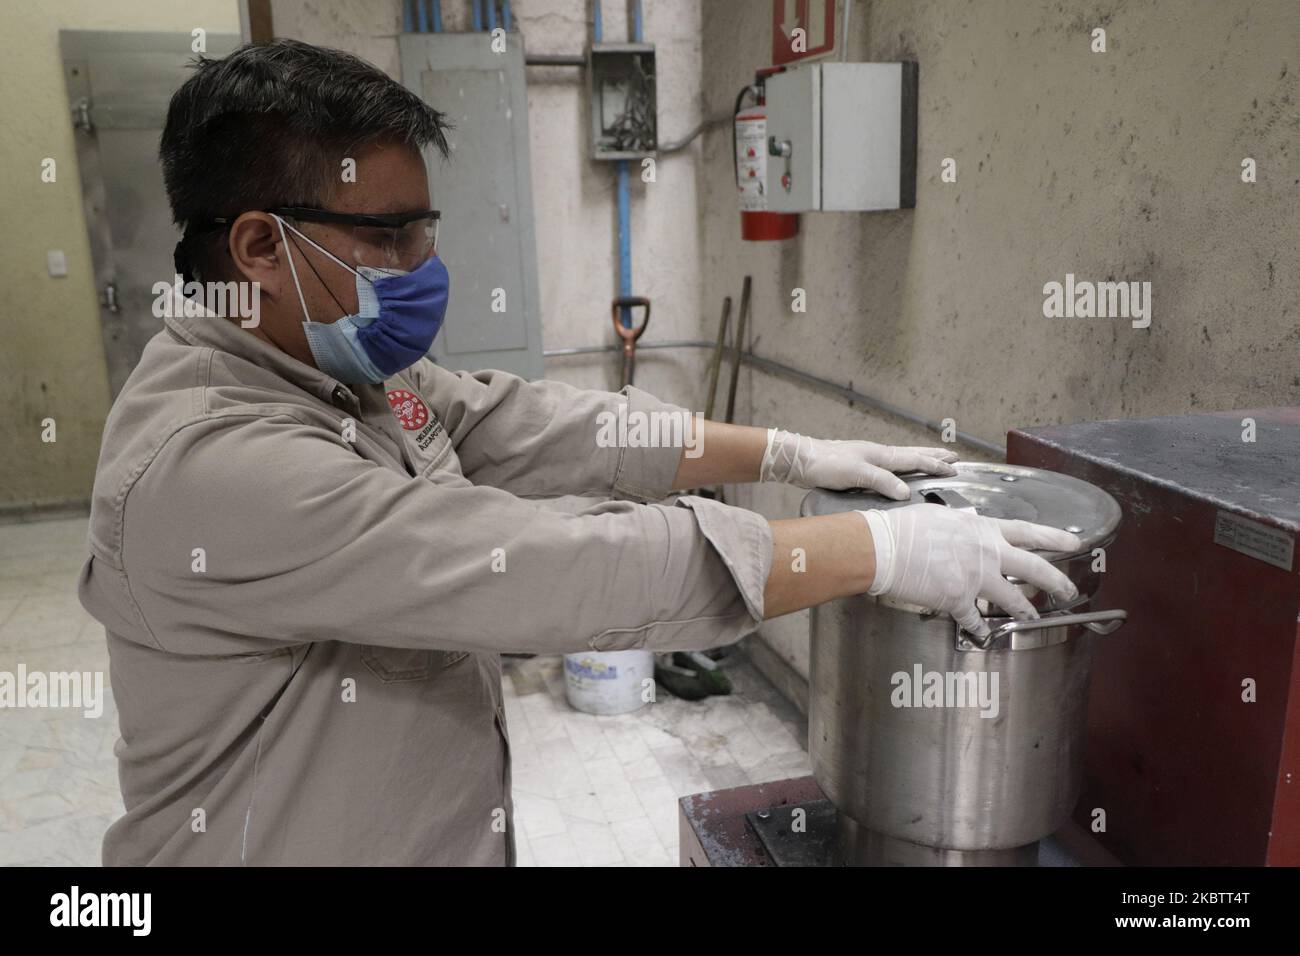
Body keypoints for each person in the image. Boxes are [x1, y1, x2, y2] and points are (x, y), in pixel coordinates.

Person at [78, 39, 1079, 865]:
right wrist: (885, 552)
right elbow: (552, 566)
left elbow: (536, 423)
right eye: (390, 235)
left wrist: (788, 450)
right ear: (258, 247)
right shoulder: (210, 467)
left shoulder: (342, 373)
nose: (426, 267)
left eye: (426, 228)